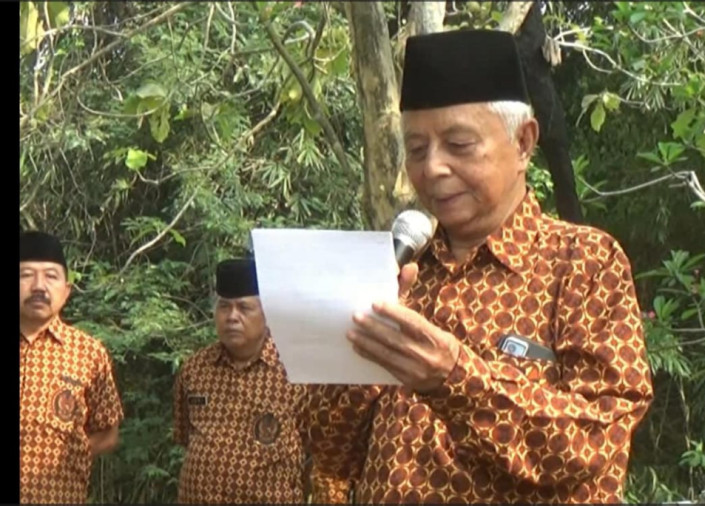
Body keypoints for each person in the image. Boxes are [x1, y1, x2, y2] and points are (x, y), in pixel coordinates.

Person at [303, 29, 654, 503]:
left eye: (459, 144)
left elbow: (594, 441)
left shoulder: (584, 264)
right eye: (417, 149)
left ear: (525, 142)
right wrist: (358, 356)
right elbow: (328, 453)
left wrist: (454, 378)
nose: (433, 169)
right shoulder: (397, 275)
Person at [172, 258, 308, 503]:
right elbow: (185, 437)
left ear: (267, 314)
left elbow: (318, 453)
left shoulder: (295, 372)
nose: (232, 317)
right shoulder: (195, 369)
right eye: (224, 307)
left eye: (244, 308)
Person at [20, 230, 124, 504]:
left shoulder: (88, 353)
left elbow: (109, 433)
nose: (38, 286)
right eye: (26, 275)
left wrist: (64, 457)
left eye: (51, 276)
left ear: (66, 291)